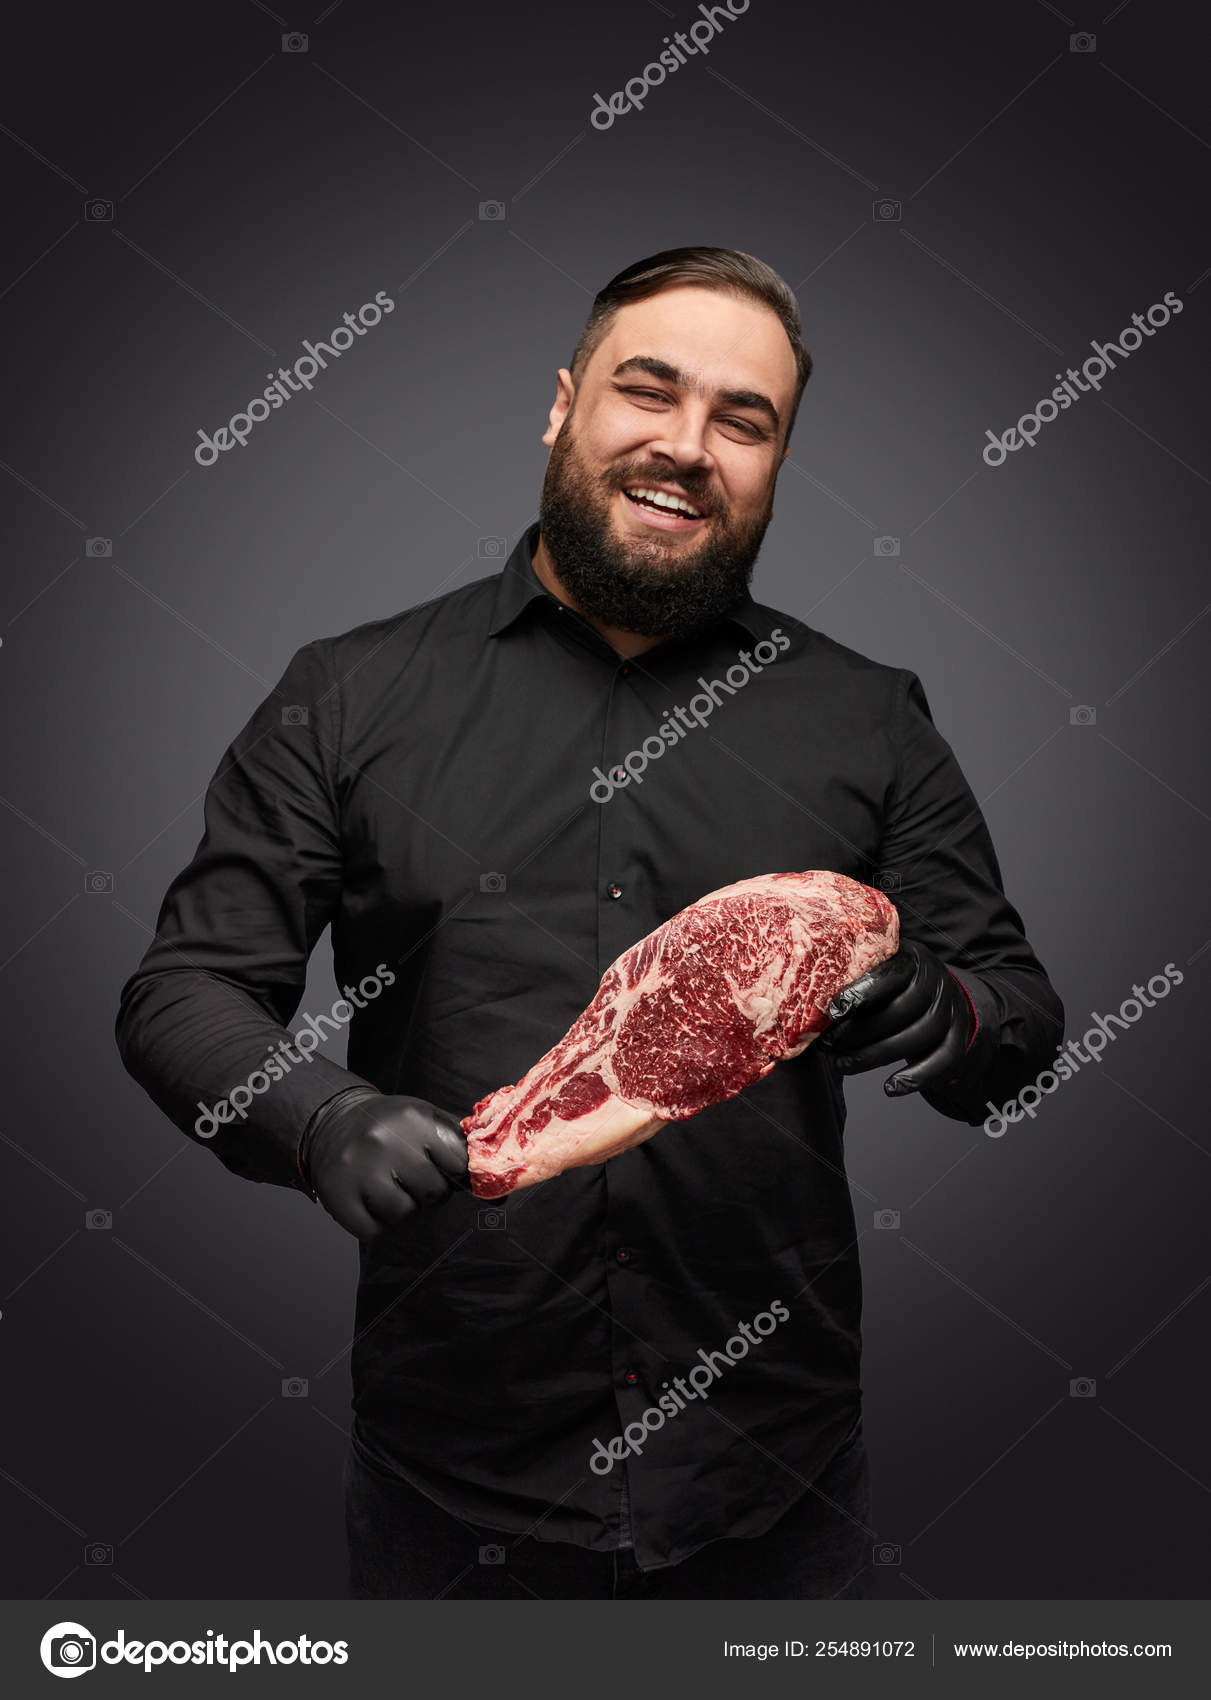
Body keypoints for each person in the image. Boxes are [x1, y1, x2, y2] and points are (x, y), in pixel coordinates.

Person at [116, 245, 1064, 1600]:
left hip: (771, 1483)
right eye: (648, 391)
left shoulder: (871, 716)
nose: (688, 445)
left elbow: (1020, 1014)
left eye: (745, 421)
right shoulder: (348, 693)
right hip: (453, 1478)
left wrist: (953, 1013)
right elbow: (185, 988)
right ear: (563, 405)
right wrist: (313, 1115)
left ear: (778, 461)